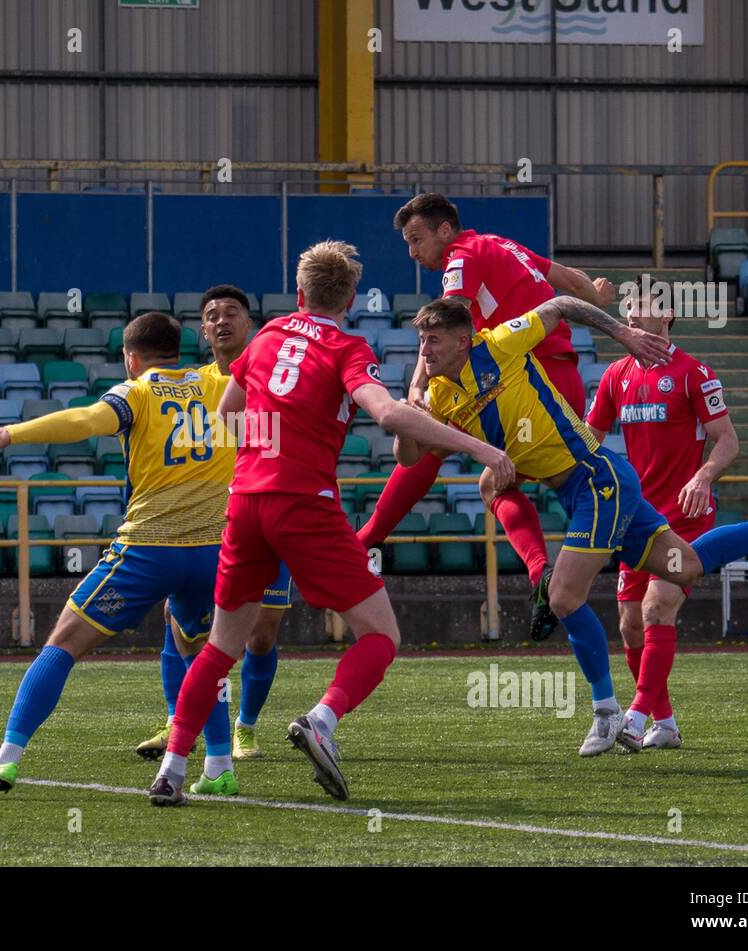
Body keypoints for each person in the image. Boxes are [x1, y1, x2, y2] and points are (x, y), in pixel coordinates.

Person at [148, 240, 516, 806]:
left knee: (221, 648)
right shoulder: (347, 346)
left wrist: (265, 454)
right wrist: (485, 452)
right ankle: (321, 720)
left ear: (299, 292)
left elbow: (224, 420)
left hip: (245, 502)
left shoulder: (267, 335)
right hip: (304, 502)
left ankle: (172, 770)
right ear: (348, 298)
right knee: (382, 634)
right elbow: (391, 414)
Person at [397, 295, 748, 757]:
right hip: (594, 488)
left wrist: (621, 333)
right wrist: (404, 423)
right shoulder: (440, 398)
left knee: (566, 597)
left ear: (462, 341)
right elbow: (412, 457)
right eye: (421, 341)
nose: (424, 351)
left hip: (598, 482)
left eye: (432, 341)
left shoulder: (500, 345)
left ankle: (608, 710)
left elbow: (562, 303)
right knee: (686, 567)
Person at [0, 311, 245, 799]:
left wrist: (8, 434)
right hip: (214, 551)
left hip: (150, 547)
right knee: (201, 654)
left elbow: (86, 420)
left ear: (131, 358)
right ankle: (218, 766)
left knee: (64, 641)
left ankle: (6, 761)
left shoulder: (138, 391)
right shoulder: (219, 383)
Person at [360, 193, 616, 641]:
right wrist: (597, 294)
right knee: (495, 481)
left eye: (417, 239)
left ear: (445, 231)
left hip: (529, 382)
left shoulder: (461, 256)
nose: (412, 252)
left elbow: (447, 318)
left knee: (432, 440)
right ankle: (548, 576)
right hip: (563, 379)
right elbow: (569, 280)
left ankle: (365, 540)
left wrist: (417, 386)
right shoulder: (504, 244)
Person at [135, 285, 293, 764]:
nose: (221, 320)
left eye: (231, 313)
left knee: (261, 634)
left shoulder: (274, 381)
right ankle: (175, 721)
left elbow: (279, 444)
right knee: (177, 622)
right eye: (211, 316)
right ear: (202, 331)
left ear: (250, 324)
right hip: (202, 530)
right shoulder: (188, 385)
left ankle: (245, 726)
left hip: (263, 521)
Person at [585, 277, 741, 750]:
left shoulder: (694, 372)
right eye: (628, 308)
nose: (631, 316)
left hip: (686, 515)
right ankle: (666, 724)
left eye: (642, 308)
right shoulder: (616, 375)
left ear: (668, 316)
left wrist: (703, 476)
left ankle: (632, 719)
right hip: (637, 519)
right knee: (630, 623)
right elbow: (591, 437)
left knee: (657, 608)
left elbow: (728, 439)